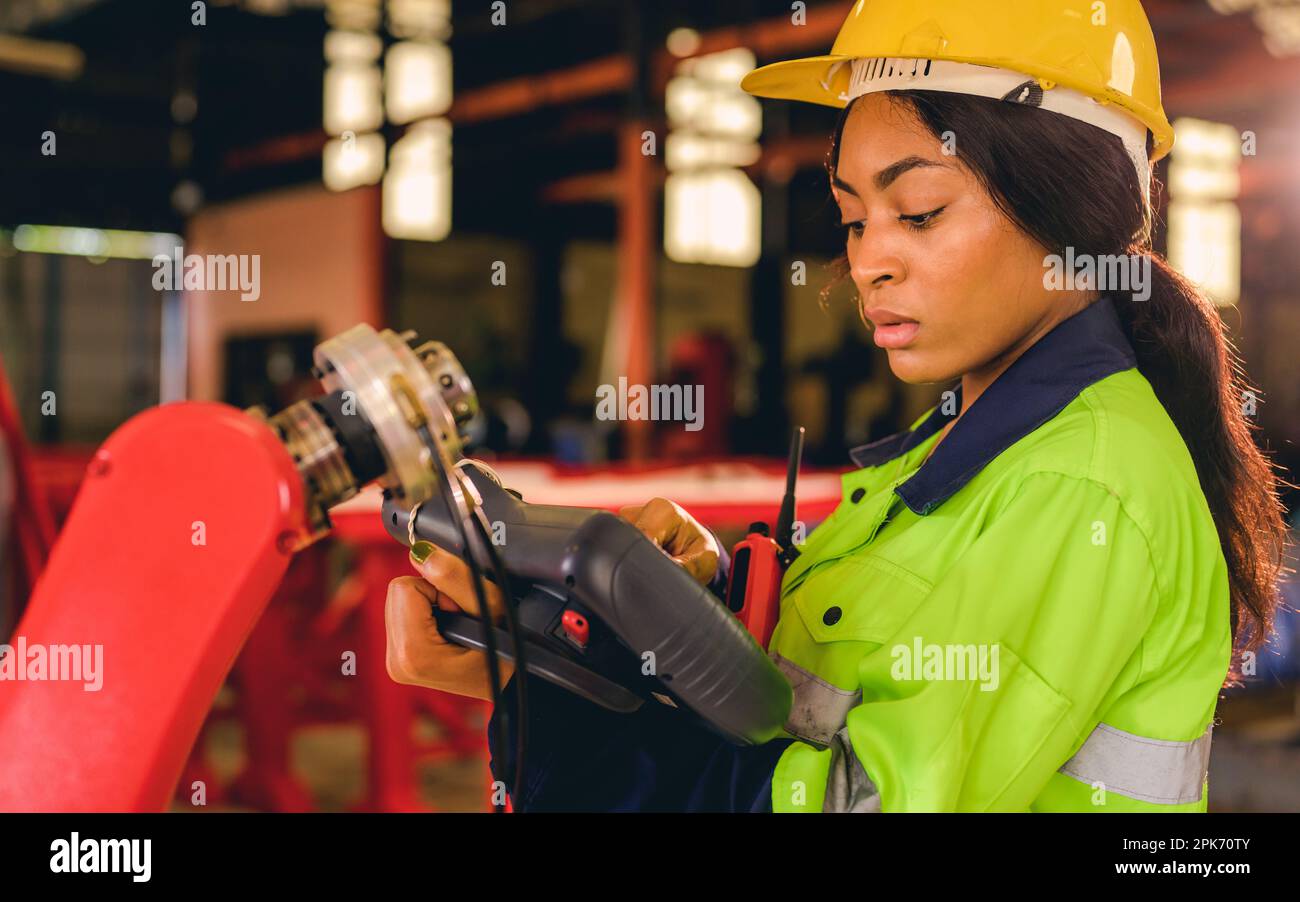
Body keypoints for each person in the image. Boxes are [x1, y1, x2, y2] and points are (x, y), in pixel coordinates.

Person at [383, 0, 1290, 812]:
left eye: (920, 211)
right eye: (855, 220)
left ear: (1073, 211)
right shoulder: (961, 451)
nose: (868, 262)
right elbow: (835, 685)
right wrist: (690, 607)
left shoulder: (1081, 483)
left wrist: (561, 718)